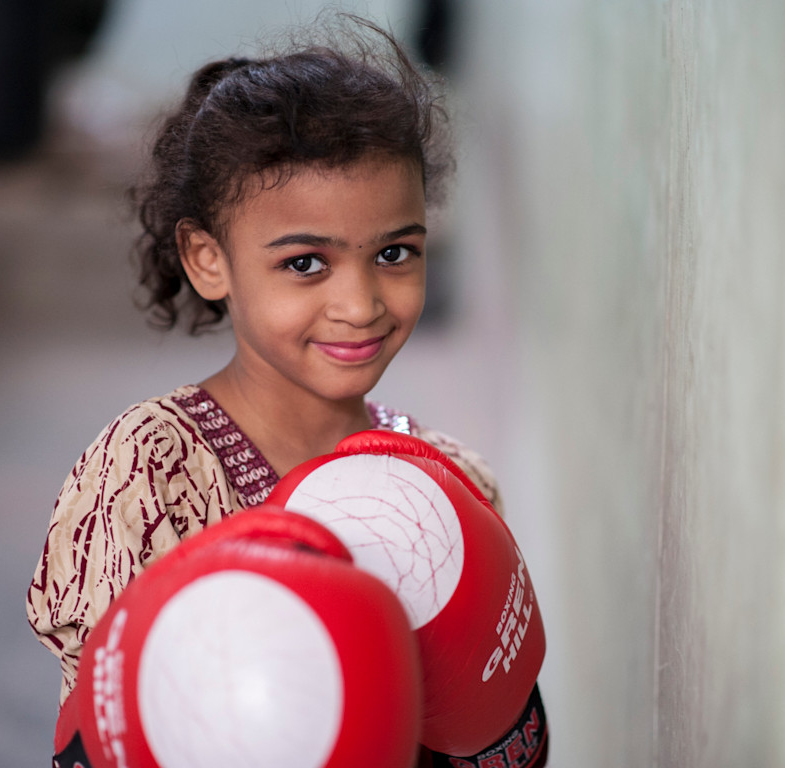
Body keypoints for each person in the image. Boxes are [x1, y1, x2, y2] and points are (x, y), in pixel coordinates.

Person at [27, 14, 546, 767]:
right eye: (307, 263)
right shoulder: (148, 472)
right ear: (208, 260)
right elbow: (99, 738)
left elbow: (513, 747)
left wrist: (490, 715)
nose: (360, 303)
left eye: (395, 252)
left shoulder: (446, 480)